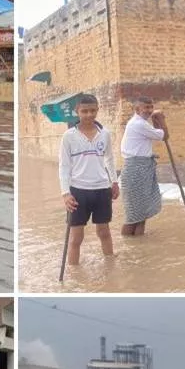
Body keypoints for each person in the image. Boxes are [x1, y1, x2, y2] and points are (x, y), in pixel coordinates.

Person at [59, 93, 119, 267]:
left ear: (98, 110)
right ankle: (74, 273)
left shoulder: (105, 134)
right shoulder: (68, 136)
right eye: (84, 111)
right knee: (76, 238)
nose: (89, 115)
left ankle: (110, 268)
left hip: (102, 189)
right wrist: (65, 193)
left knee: (104, 232)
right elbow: (64, 166)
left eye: (93, 110)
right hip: (78, 191)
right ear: (77, 111)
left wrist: (114, 182)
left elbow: (109, 159)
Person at [120, 96, 167, 236]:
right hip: (136, 171)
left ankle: (138, 244)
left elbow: (159, 133)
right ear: (137, 109)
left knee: (142, 214)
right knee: (133, 217)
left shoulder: (140, 122)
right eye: (146, 107)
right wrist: (161, 119)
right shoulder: (139, 124)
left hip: (142, 169)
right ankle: (129, 244)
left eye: (151, 107)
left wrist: (155, 117)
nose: (149, 110)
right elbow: (165, 136)